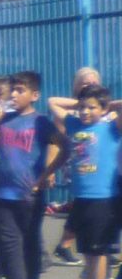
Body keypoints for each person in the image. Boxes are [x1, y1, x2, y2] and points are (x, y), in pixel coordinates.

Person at [0, 71, 63, 279]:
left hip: (28, 194)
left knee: (30, 244)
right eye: (12, 90)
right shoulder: (3, 120)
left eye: (20, 90)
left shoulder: (40, 122)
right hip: (2, 194)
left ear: (34, 95)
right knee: (10, 245)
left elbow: (64, 146)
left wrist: (46, 174)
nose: (14, 94)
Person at [48, 82, 122, 279]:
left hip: (105, 198)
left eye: (91, 108)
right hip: (82, 198)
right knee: (88, 253)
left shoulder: (112, 128)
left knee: (99, 252)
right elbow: (52, 102)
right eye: (82, 107)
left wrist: (106, 105)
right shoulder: (75, 124)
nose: (85, 112)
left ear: (101, 109)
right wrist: (82, 101)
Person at [53, 67, 103, 265]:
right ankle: (79, 248)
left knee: (85, 208)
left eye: (93, 83)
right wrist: (82, 101)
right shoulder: (73, 113)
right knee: (83, 207)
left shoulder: (102, 108)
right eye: (85, 83)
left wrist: (99, 102)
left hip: (102, 167)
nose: (89, 85)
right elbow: (58, 138)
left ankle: (70, 246)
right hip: (79, 165)